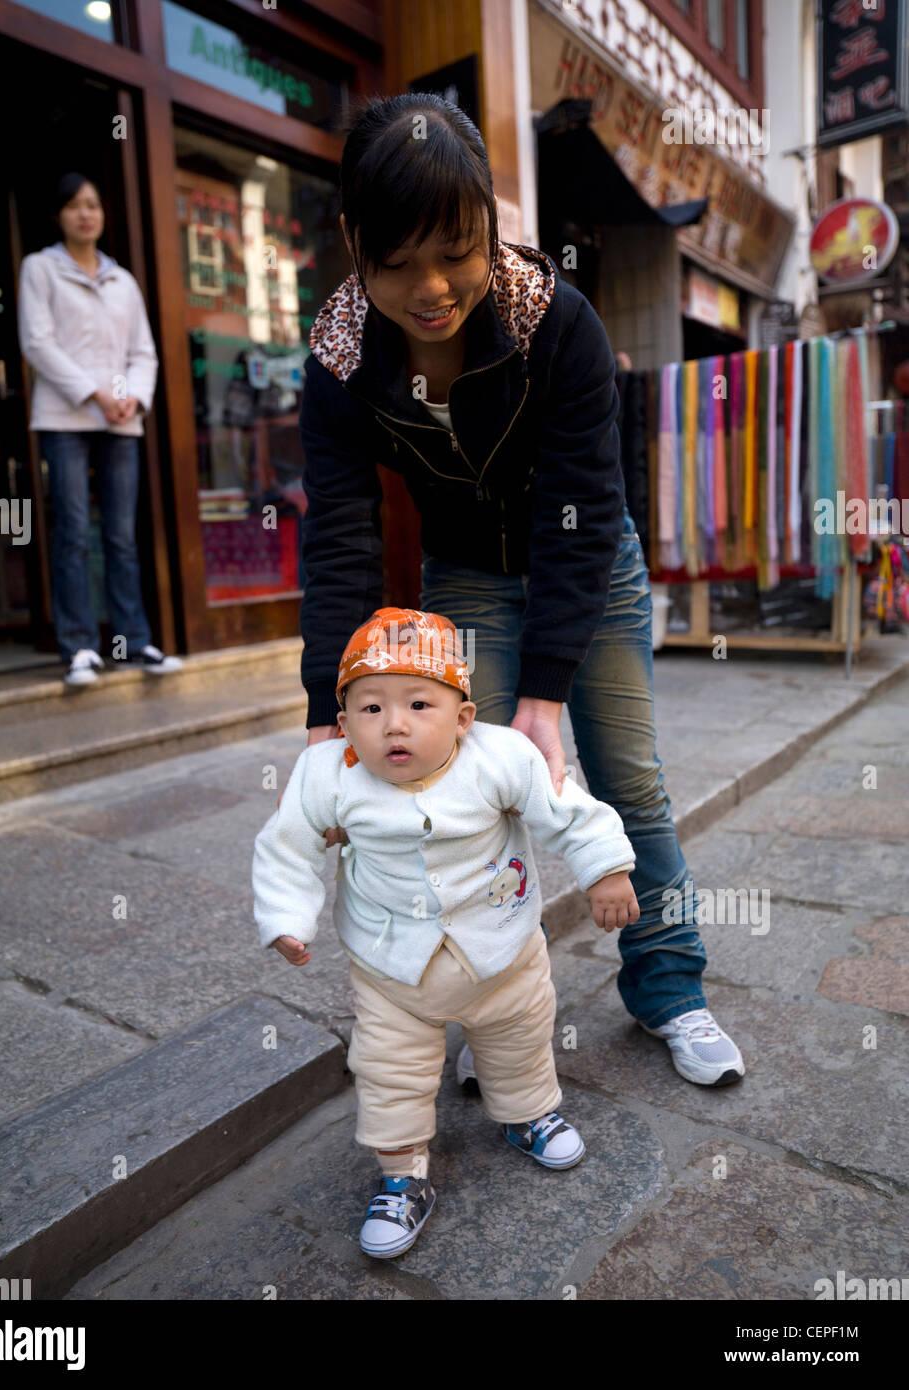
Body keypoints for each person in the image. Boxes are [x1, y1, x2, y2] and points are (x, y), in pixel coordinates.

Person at [296, 93, 745, 1089]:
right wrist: (329, 713)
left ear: (489, 224)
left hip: (594, 562)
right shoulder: (338, 362)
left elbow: (582, 505)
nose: (432, 288)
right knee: (467, 803)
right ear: (352, 242)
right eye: (398, 261)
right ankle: (489, 1012)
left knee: (628, 781)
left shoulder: (558, 323)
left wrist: (546, 697)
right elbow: (340, 540)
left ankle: (673, 990)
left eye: (454, 252)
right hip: (468, 576)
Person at [253, 608, 639, 1258]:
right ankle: (402, 1177)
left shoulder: (502, 758)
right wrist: (287, 917)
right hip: (390, 969)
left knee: (517, 1040)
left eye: (418, 703)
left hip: (503, 950)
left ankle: (525, 1115)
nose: (394, 723)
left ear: (463, 717)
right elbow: (286, 846)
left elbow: (567, 813)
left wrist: (605, 871)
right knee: (389, 1071)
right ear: (342, 724)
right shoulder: (326, 774)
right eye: (370, 709)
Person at [17, 172, 183, 686]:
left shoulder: (123, 281)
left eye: (93, 204)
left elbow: (144, 353)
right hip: (65, 415)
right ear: (58, 215)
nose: (85, 214)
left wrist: (133, 396)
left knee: (121, 535)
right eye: (74, 206)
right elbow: (37, 342)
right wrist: (94, 393)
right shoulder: (40, 269)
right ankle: (79, 648)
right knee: (70, 532)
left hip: (122, 420)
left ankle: (133, 641)